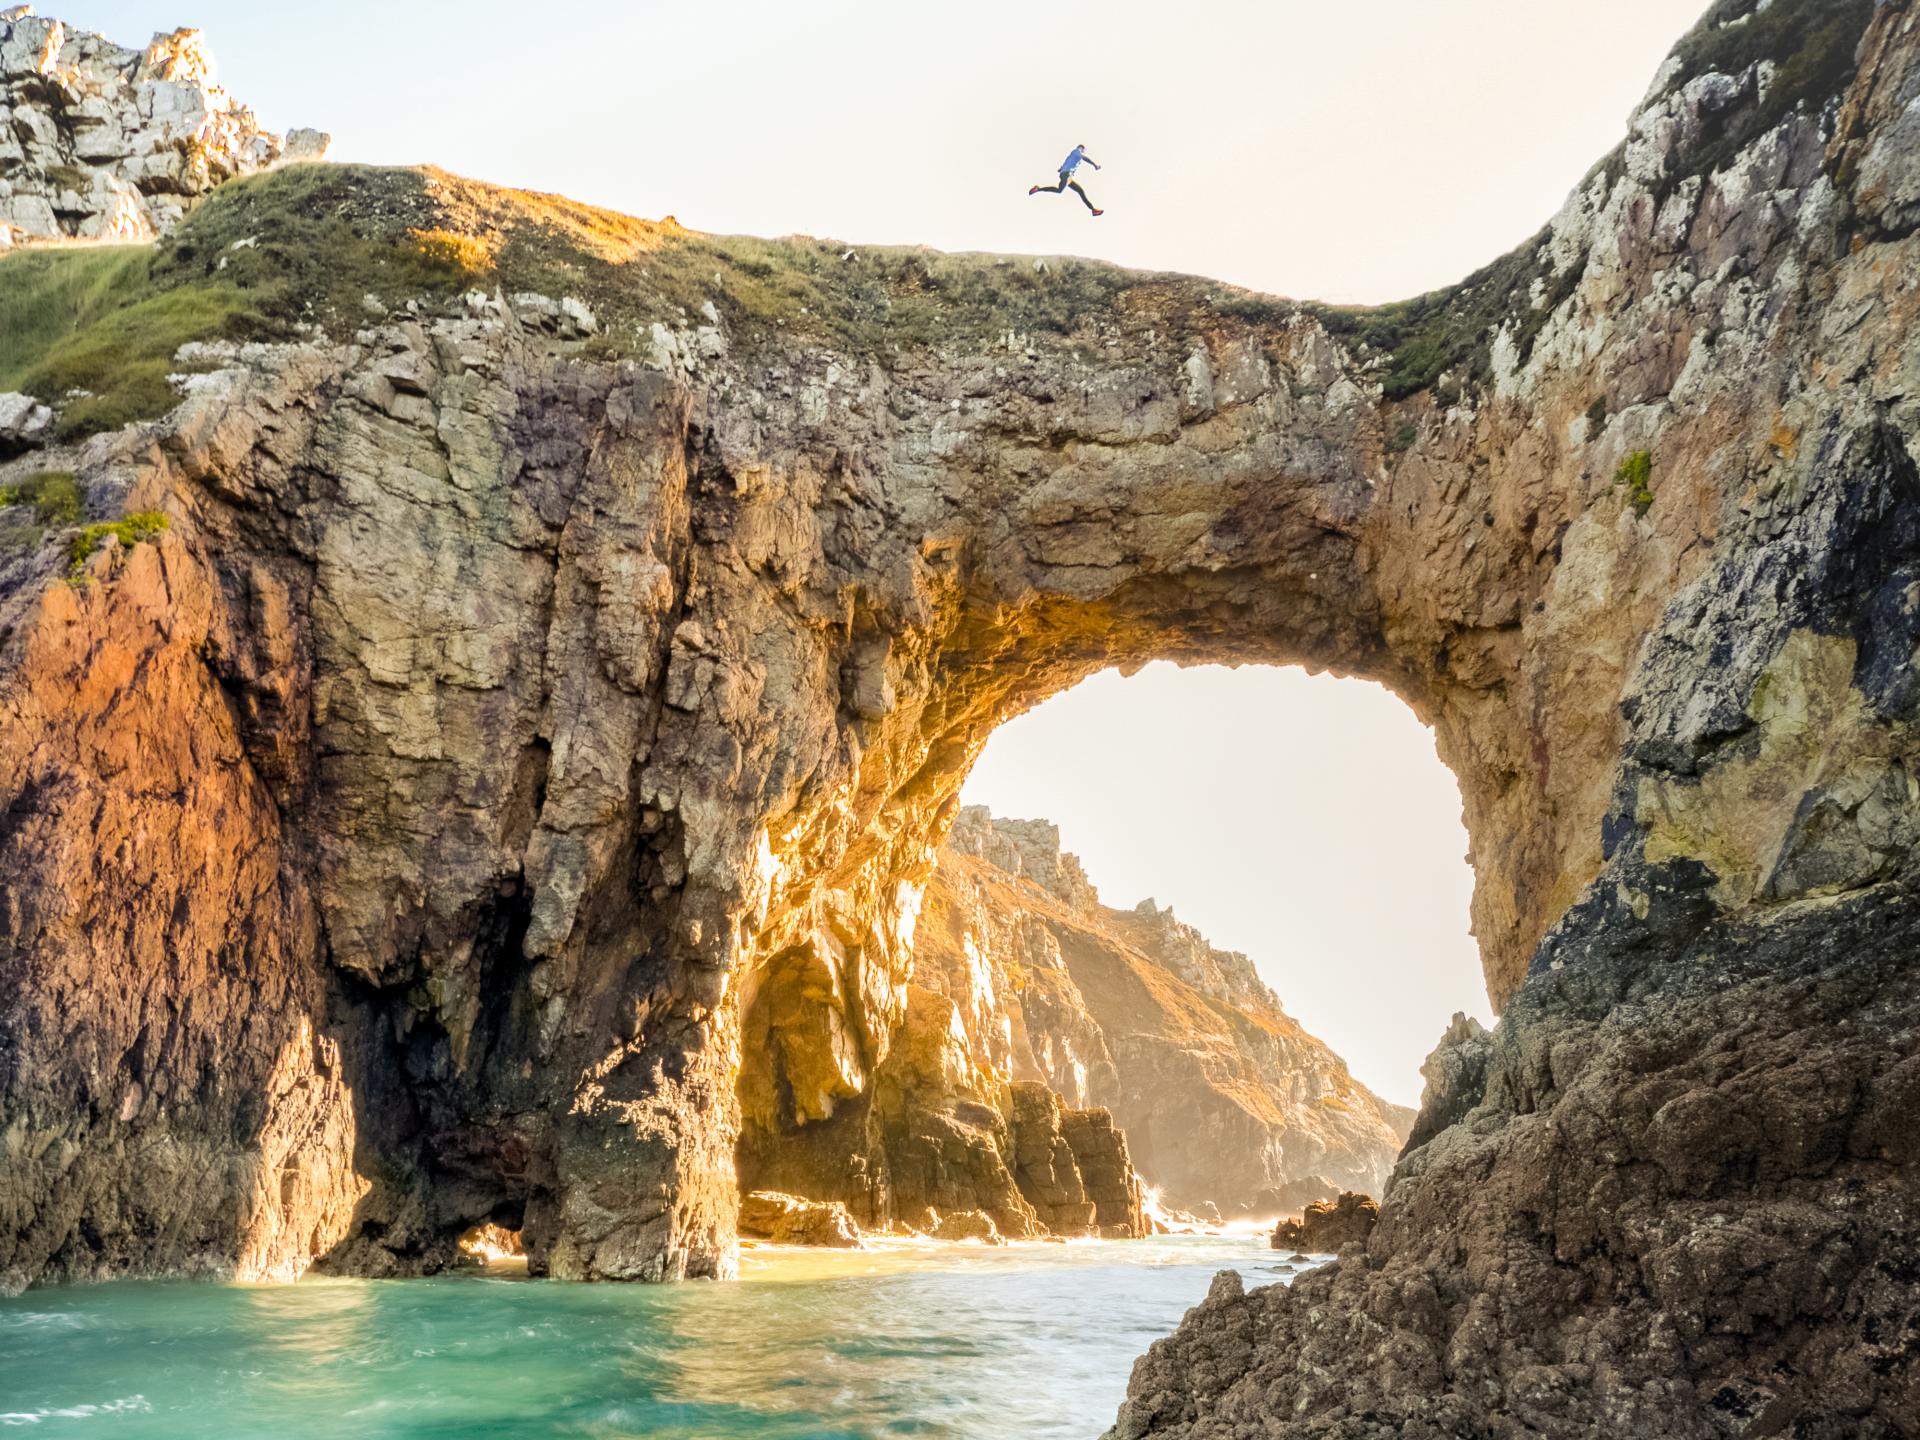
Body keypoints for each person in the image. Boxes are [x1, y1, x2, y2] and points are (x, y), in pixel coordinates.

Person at [1029, 144, 1103, 216]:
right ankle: (1038, 189)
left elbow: (1066, 162)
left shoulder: (1073, 155)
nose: (1083, 152)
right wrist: (1094, 165)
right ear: (1081, 148)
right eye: (1083, 151)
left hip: (1067, 177)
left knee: (1079, 191)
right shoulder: (1077, 151)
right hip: (1066, 175)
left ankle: (1093, 210)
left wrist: (1061, 169)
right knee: (1060, 190)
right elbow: (1084, 158)